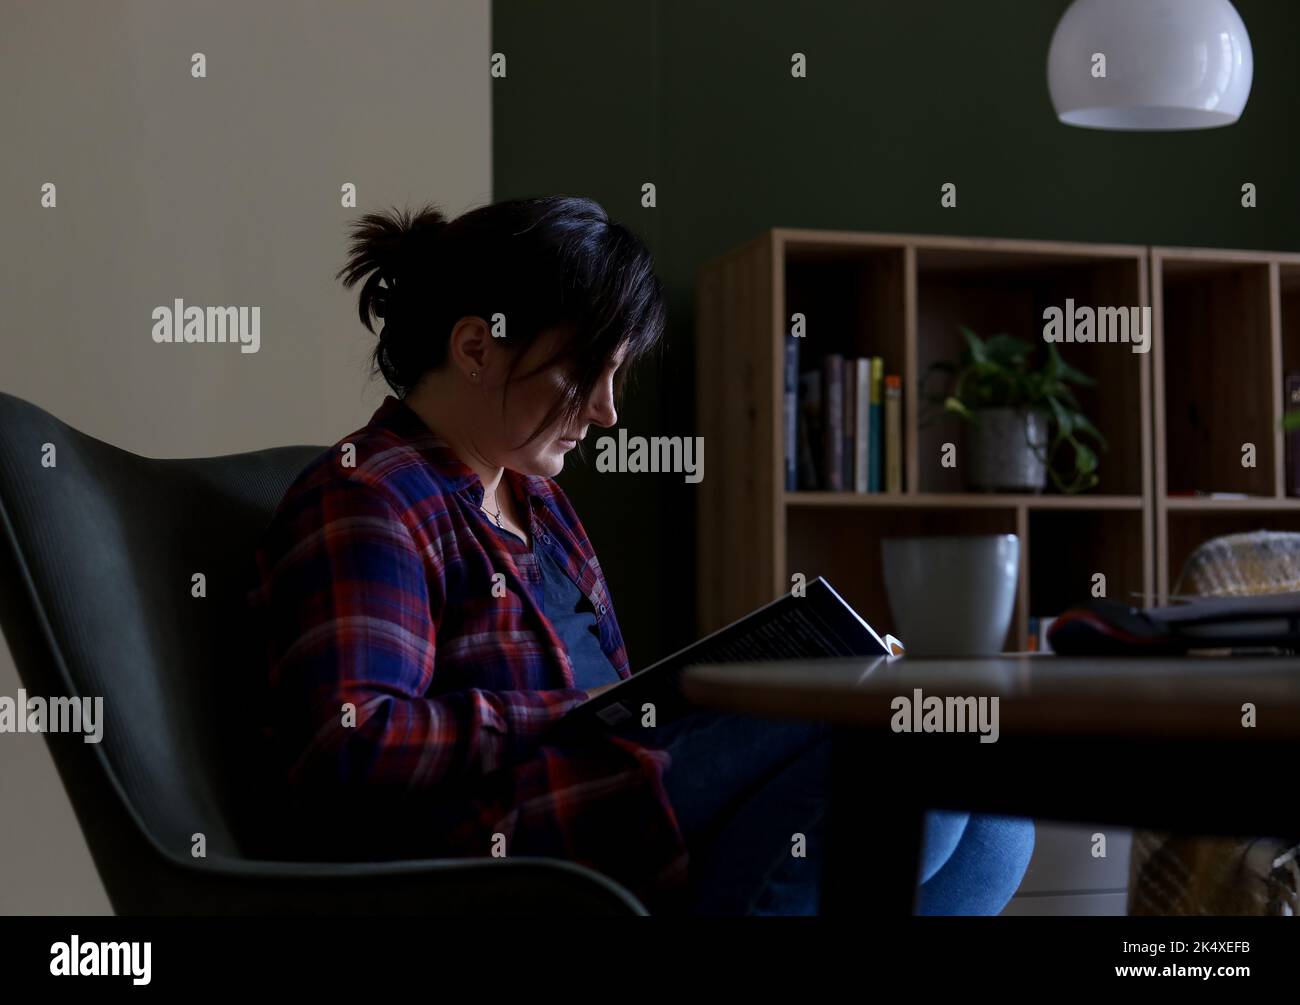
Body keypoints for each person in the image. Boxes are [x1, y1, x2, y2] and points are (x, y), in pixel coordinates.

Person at [246, 195, 1035, 915]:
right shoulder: (370, 496)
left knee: (990, 797)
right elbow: (349, 747)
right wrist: (578, 716)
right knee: (903, 738)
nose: (608, 411)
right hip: (506, 853)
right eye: (587, 371)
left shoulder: (542, 505)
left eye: (615, 375)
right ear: (477, 347)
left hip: (626, 802)